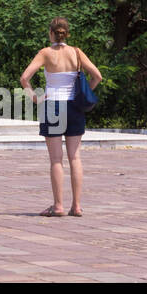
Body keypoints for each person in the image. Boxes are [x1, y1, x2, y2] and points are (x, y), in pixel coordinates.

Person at [20, 17, 102, 217]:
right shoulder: (76, 52)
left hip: (53, 106)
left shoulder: (45, 53)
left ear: (51, 33)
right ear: (67, 33)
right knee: (75, 157)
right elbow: (97, 76)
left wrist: (35, 98)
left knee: (56, 160)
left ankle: (58, 206)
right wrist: (82, 94)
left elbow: (24, 78)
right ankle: (77, 206)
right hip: (74, 106)